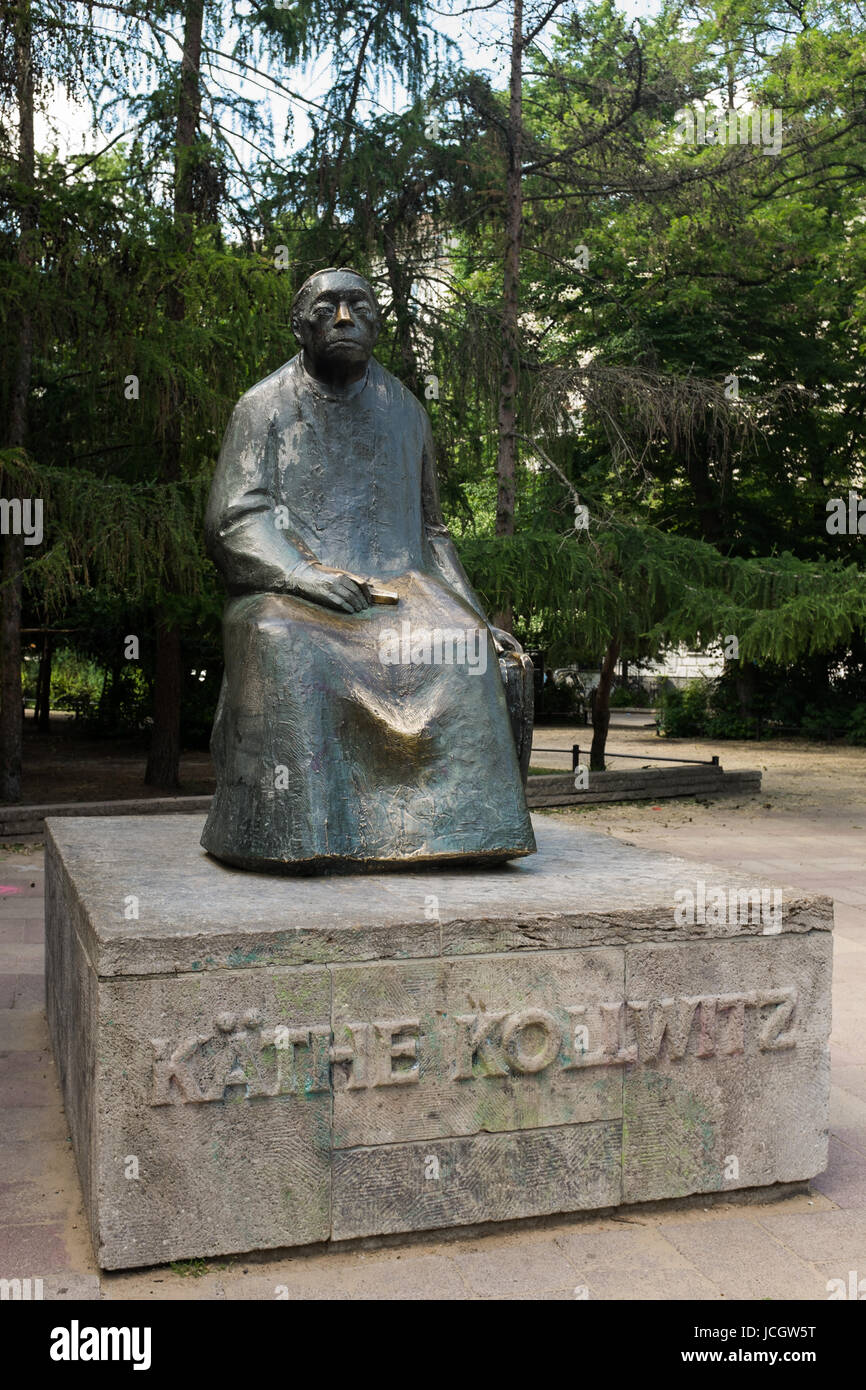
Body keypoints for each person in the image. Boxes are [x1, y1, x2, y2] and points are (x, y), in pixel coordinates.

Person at [201, 266, 536, 871]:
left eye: (359, 305)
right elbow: (235, 519)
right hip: (287, 590)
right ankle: (305, 837)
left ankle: (465, 835)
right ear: (301, 327)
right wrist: (304, 576)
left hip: (401, 590)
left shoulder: (405, 409)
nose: (346, 318)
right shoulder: (262, 407)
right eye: (328, 308)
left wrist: (477, 615)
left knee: (465, 647)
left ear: (378, 321)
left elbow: (432, 532)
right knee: (285, 641)